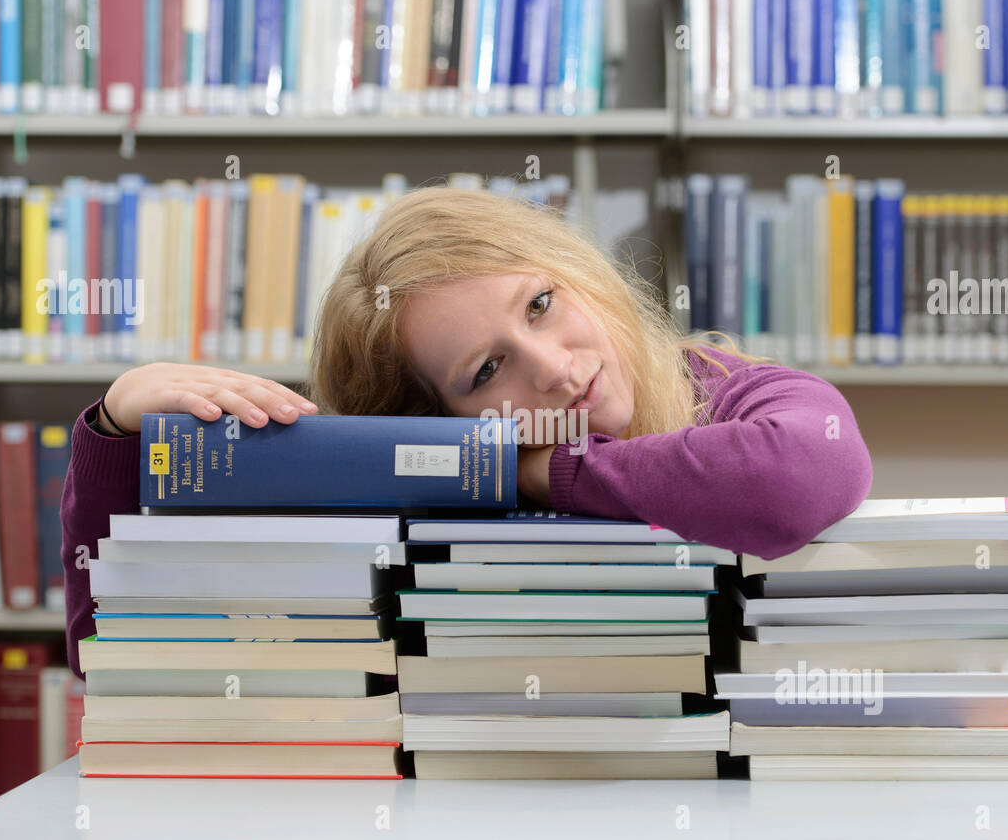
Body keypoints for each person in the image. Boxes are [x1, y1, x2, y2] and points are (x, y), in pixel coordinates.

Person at [60, 186, 872, 677]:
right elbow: (116, 659)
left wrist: (532, 473)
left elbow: (801, 474)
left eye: (542, 304)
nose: (555, 369)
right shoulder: (414, 493)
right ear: (431, 424)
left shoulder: (717, 386)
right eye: (486, 372)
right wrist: (113, 430)